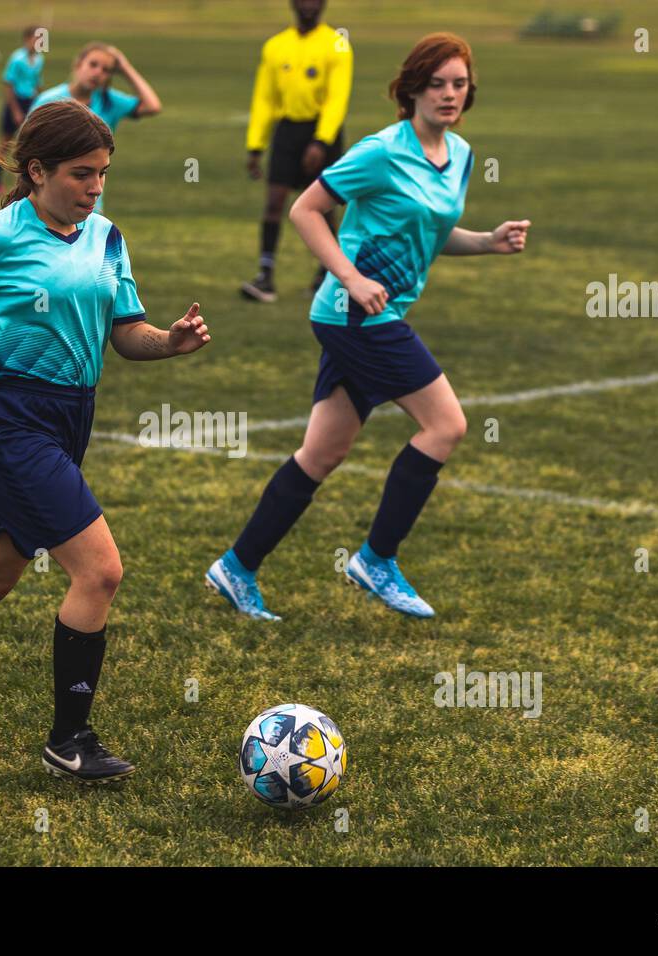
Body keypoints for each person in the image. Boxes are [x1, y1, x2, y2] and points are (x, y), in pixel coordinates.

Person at [0, 100, 210, 785]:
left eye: (104, 174)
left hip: (69, 419)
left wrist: (168, 343)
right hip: (7, 422)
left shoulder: (106, 236)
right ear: (37, 171)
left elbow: (125, 333)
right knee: (100, 571)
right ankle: (69, 740)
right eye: (83, 174)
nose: (96, 187)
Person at [207, 33, 530, 620]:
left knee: (321, 453)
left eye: (459, 84)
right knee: (447, 425)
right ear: (411, 90)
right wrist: (351, 277)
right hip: (355, 317)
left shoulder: (459, 155)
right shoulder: (381, 150)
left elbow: (428, 235)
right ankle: (377, 560)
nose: (450, 94)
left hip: (381, 313)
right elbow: (306, 209)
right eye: (437, 84)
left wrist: (487, 242)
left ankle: (236, 567)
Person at [240, 0, 352, 304]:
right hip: (287, 130)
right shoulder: (276, 46)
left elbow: (336, 99)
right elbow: (264, 98)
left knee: (324, 207)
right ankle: (265, 276)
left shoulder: (337, 45)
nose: (309, 5)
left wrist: (321, 141)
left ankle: (328, 273)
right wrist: (255, 145)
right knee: (274, 202)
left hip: (321, 131)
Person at [27, 42, 161, 214]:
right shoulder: (49, 101)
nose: (98, 73)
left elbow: (153, 106)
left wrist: (125, 67)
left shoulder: (108, 101)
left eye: (106, 70)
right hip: (52, 200)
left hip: (91, 202)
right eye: (93, 64)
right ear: (77, 65)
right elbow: (27, 150)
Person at [0, 25, 44, 195]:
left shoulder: (39, 59)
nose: (39, 42)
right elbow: (8, 84)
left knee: (28, 145)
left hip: (30, 102)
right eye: (37, 38)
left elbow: (36, 83)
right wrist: (15, 111)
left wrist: (42, 101)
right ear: (27, 39)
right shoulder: (17, 59)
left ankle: (23, 186)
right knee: (5, 144)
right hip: (16, 103)